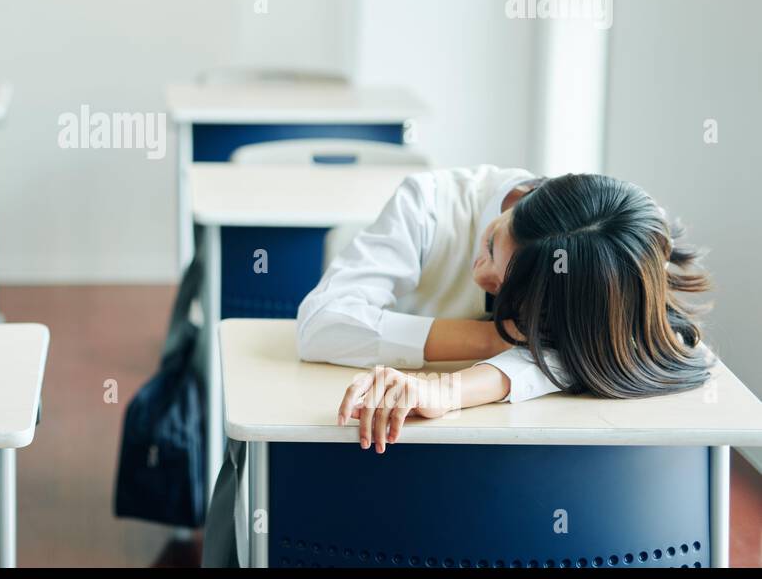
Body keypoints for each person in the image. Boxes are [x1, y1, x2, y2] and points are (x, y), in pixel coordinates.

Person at [297, 164, 714, 454]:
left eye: (506, 288)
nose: (480, 276)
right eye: (492, 243)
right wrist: (506, 335)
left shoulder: (611, 250)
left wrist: (451, 390)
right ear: (523, 199)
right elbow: (323, 324)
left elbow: (613, 348)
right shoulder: (428, 202)